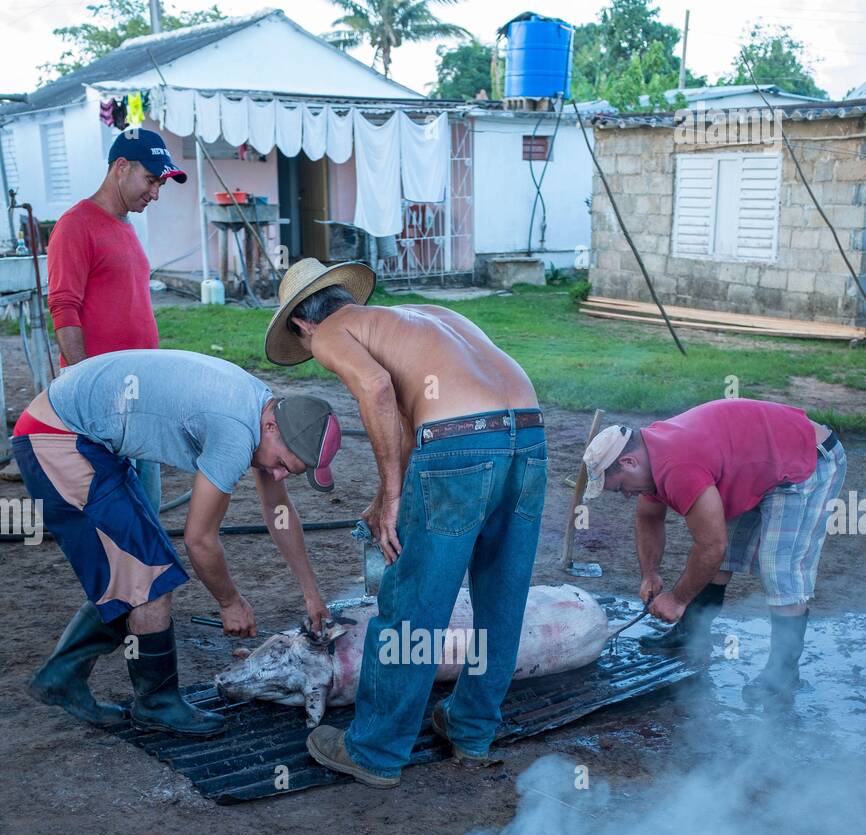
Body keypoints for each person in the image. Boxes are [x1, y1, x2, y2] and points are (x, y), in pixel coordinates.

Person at [263, 257, 547, 789]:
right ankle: (471, 728)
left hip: (460, 445)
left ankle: (374, 749)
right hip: (528, 436)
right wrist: (384, 493)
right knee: (502, 597)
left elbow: (374, 389)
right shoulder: (423, 317)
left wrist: (393, 497)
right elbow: (413, 412)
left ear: (301, 323)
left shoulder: (327, 333)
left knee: (415, 603)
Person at [11, 349, 340, 737]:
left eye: (291, 471)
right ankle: (155, 703)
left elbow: (278, 511)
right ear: (271, 427)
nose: (278, 475)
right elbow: (199, 540)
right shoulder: (236, 432)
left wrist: (311, 594)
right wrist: (230, 602)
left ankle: (62, 677)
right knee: (150, 578)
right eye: (283, 463)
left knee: (138, 568)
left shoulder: (266, 412)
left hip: (81, 434)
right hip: (55, 438)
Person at [581, 399, 846, 701]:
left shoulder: (676, 466)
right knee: (723, 553)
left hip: (808, 458)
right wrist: (649, 574)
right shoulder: (648, 457)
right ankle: (692, 632)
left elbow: (711, 545)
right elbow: (648, 516)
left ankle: (784, 675)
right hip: (760, 458)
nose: (626, 495)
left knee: (778, 568)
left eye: (620, 487)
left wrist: (678, 599)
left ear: (629, 462)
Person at [46, 127, 186, 512]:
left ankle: (143, 572)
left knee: (146, 506)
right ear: (121, 167)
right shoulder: (76, 225)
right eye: (151, 180)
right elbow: (63, 306)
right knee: (116, 512)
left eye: (160, 184)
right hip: (104, 397)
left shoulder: (125, 225)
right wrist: (82, 383)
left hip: (141, 391)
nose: (155, 193)